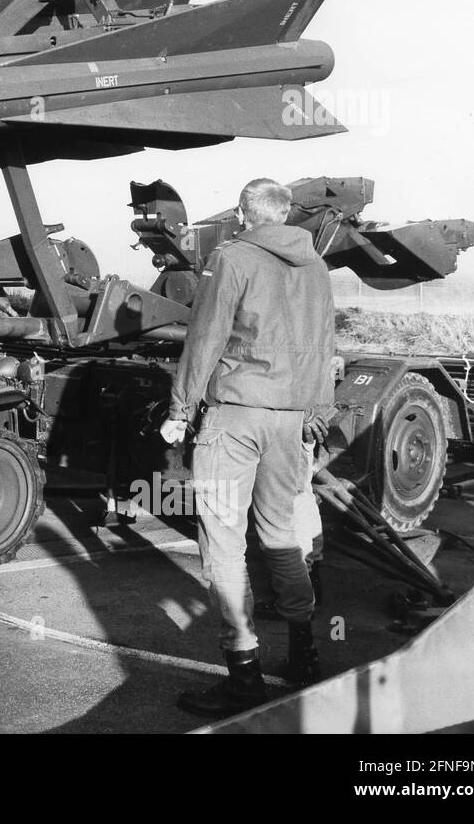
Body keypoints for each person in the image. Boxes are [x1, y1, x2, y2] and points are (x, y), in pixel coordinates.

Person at [160, 178, 335, 718]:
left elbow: (206, 335)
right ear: (284, 216)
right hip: (290, 421)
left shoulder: (231, 256)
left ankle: (243, 677)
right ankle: (304, 656)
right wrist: (318, 413)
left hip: (234, 418)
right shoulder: (317, 267)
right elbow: (325, 342)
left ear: (242, 213)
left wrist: (179, 409)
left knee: (224, 544)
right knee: (283, 536)